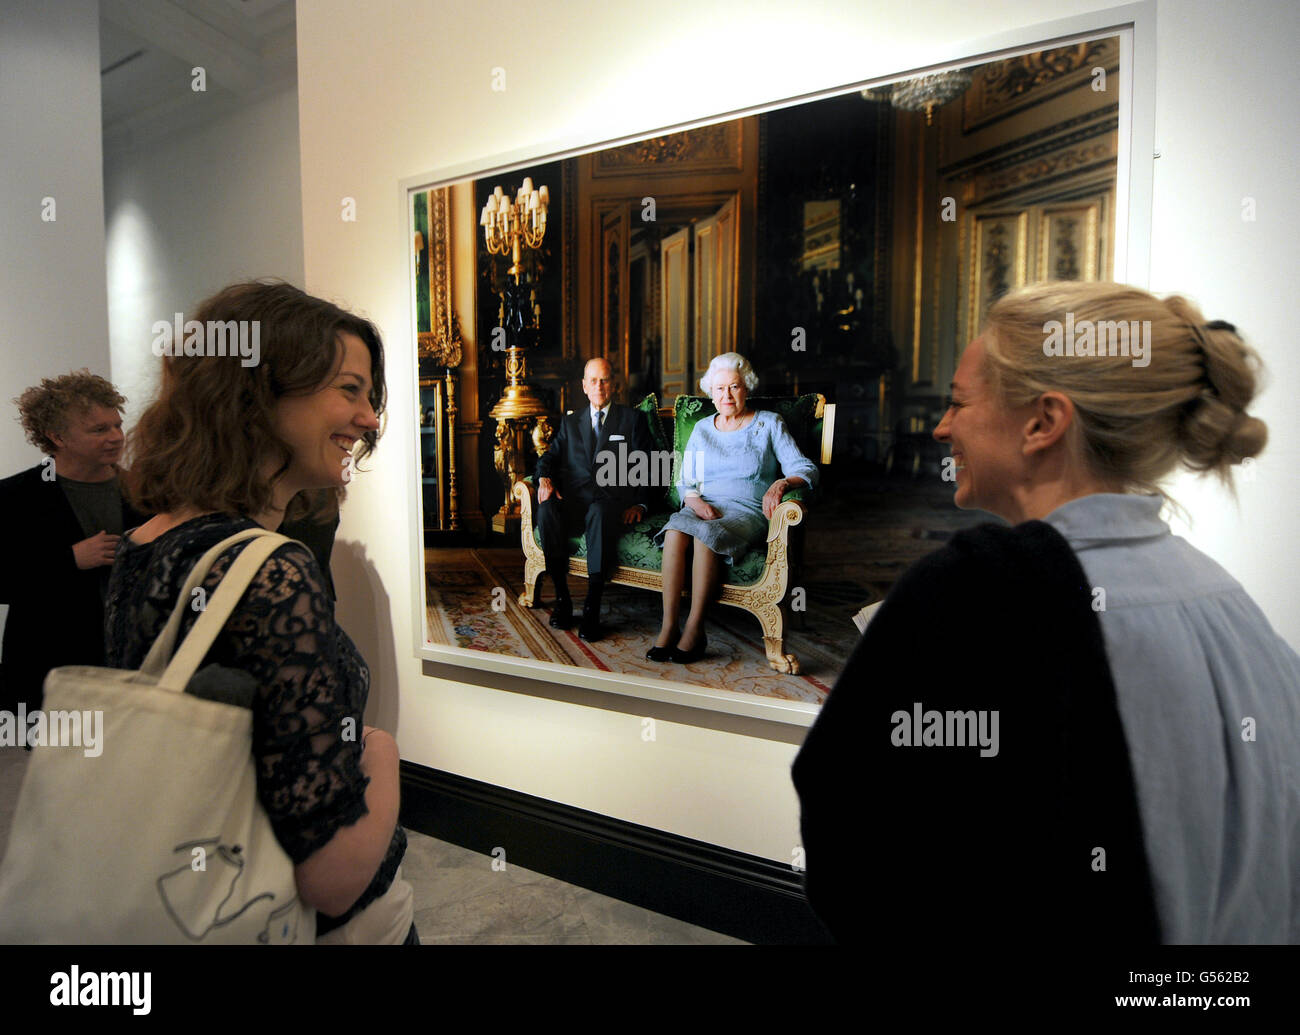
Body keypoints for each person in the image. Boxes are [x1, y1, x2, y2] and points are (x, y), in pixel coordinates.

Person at [792, 281, 1300, 948]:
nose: (942, 426)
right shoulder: (1240, 615)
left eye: (959, 403)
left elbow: (854, 846)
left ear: (1043, 422)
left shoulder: (975, 596)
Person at [105, 281, 416, 944]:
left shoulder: (145, 543)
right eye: (349, 389)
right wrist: (383, 754)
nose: (370, 419)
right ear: (259, 391)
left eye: (370, 396)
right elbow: (332, 877)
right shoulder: (274, 569)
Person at [648, 352, 817, 663]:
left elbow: (805, 467)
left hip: (746, 509)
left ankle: (695, 629)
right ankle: (669, 626)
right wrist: (697, 504)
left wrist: (781, 483)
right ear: (711, 392)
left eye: (735, 387)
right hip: (703, 505)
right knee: (674, 531)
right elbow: (687, 481)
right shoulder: (702, 429)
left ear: (747, 388)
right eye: (720, 388)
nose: (727, 395)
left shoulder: (769, 423)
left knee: (704, 535)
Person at [0, 371, 149, 722]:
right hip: (52, 666)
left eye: (116, 425)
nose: (115, 437)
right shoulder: (15, 498)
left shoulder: (146, 493)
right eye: (99, 430)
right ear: (56, 436)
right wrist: (69, 560)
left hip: (133, 662)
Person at [535, 356, 655, 641]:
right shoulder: (569, 422)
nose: (599, 386)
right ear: (584, 387)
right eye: (593, 381)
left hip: (609, 502)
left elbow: (652, 464)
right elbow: (548, 457)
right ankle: (562, 598)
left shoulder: (631, 419)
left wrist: (641, 503)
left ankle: (592, 604)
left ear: (613, 385)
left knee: (599, 513)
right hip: (574, 500)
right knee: (546, 509)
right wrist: (544, 478)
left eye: (604, 380)